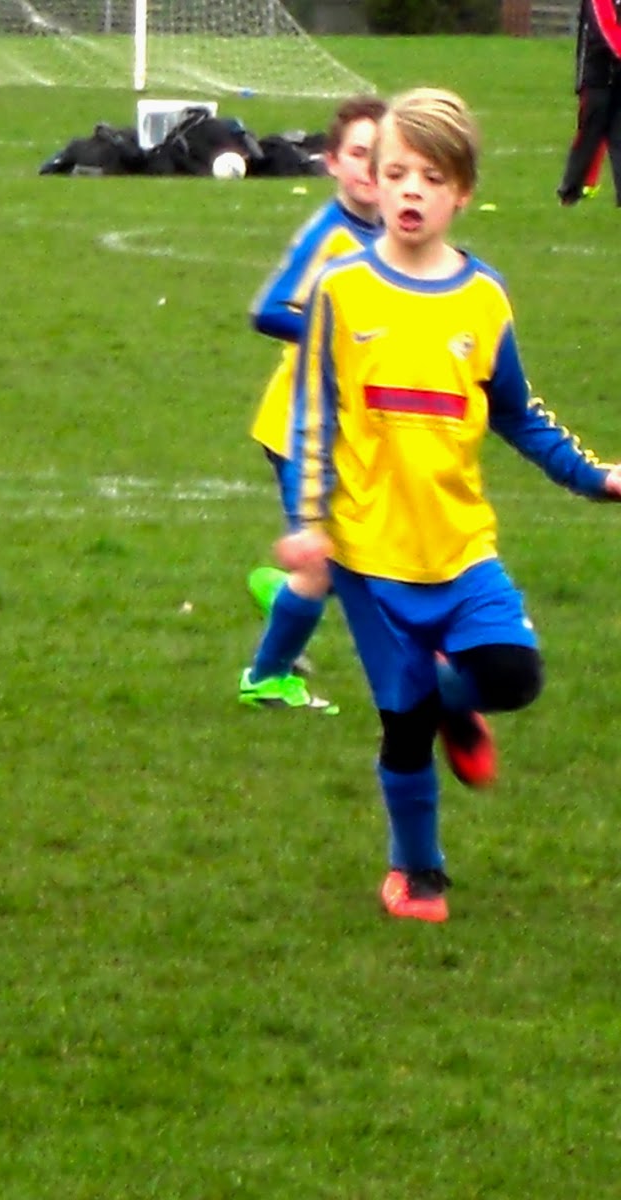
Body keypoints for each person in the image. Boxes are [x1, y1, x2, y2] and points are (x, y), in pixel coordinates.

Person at [278, 87, 621, 923]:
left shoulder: (485, 300)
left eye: (429, 178)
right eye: (395, 172)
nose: (407, 191)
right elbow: (313, 413)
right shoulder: (342, 290)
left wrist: (594, 475)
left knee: (514, 674)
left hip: (461, 545)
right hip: (369, 553)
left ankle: (453, 700)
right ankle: (418, 871)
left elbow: (515, 411)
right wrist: (310, 523)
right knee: (402, 728)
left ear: (461, 191)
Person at [238, 94, 386, 715]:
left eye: (384, 156)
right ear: (332, 163)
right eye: (359, 154)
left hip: (352, 426)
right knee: (325, 559)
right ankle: (266, 677)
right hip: (299, 423)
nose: (372, 169)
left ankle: (283, 597)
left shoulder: (392, 234)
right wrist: (338, 330)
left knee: (359, 553)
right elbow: (267, 309)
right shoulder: (329, 237)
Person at [556, 0, 621, 205]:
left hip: (618, 76)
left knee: (620, 136)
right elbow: (606, 28)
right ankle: (571, 189)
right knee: (589, 134)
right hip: (596, 77)